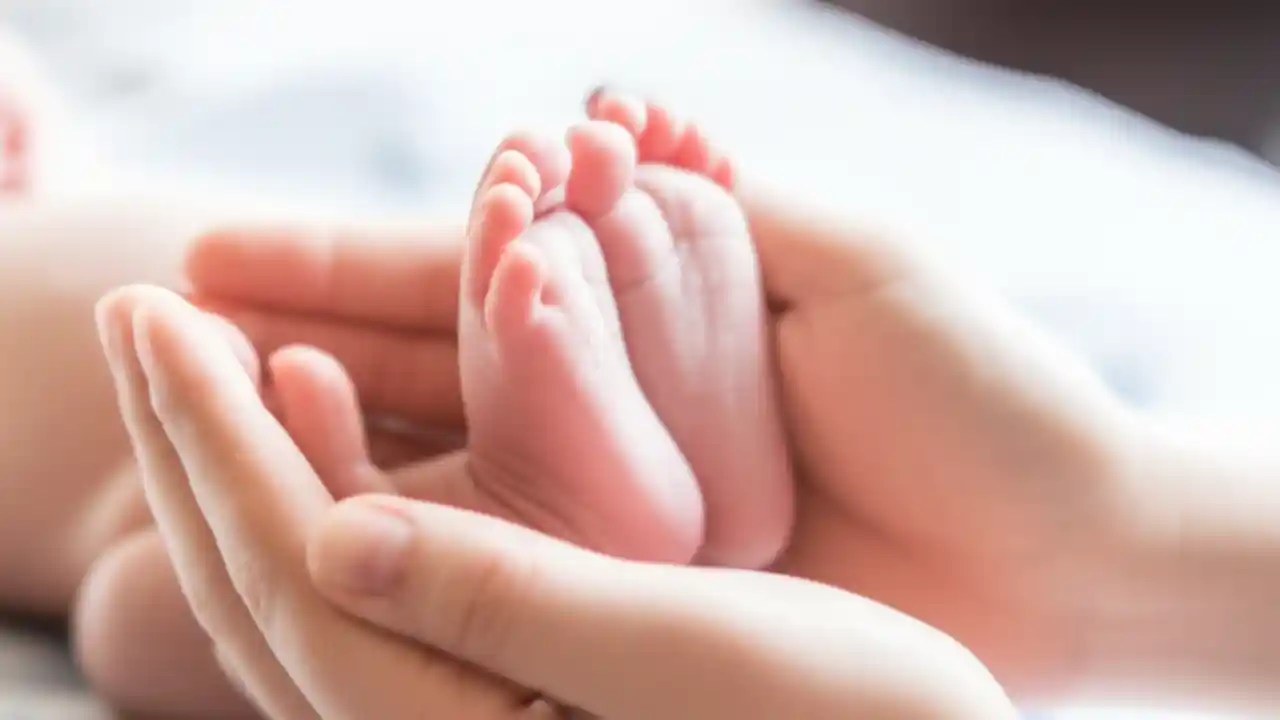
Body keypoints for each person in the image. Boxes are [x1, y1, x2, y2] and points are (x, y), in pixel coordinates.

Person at [86, 90, 1280, 717]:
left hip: (208, 323)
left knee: (276, 518)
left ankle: (631, 448)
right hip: (107, 456)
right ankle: (572, 485)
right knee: (141, 610)